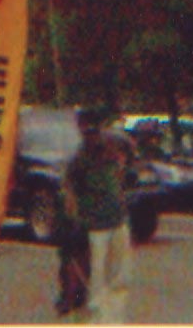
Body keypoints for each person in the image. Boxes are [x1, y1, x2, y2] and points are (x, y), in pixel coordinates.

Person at [60, 107, 132, 323]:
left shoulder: (111, 149)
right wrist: (74, 217)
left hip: (116, 219)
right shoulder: (80, 159)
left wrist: (120, 195)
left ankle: (114, 318)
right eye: (87, 130)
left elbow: (119, 173)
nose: (92, 134)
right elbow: (69, 188)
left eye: (94, 129)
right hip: (94, 223)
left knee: (119, 276)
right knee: (97, 276)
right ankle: (96, 317)